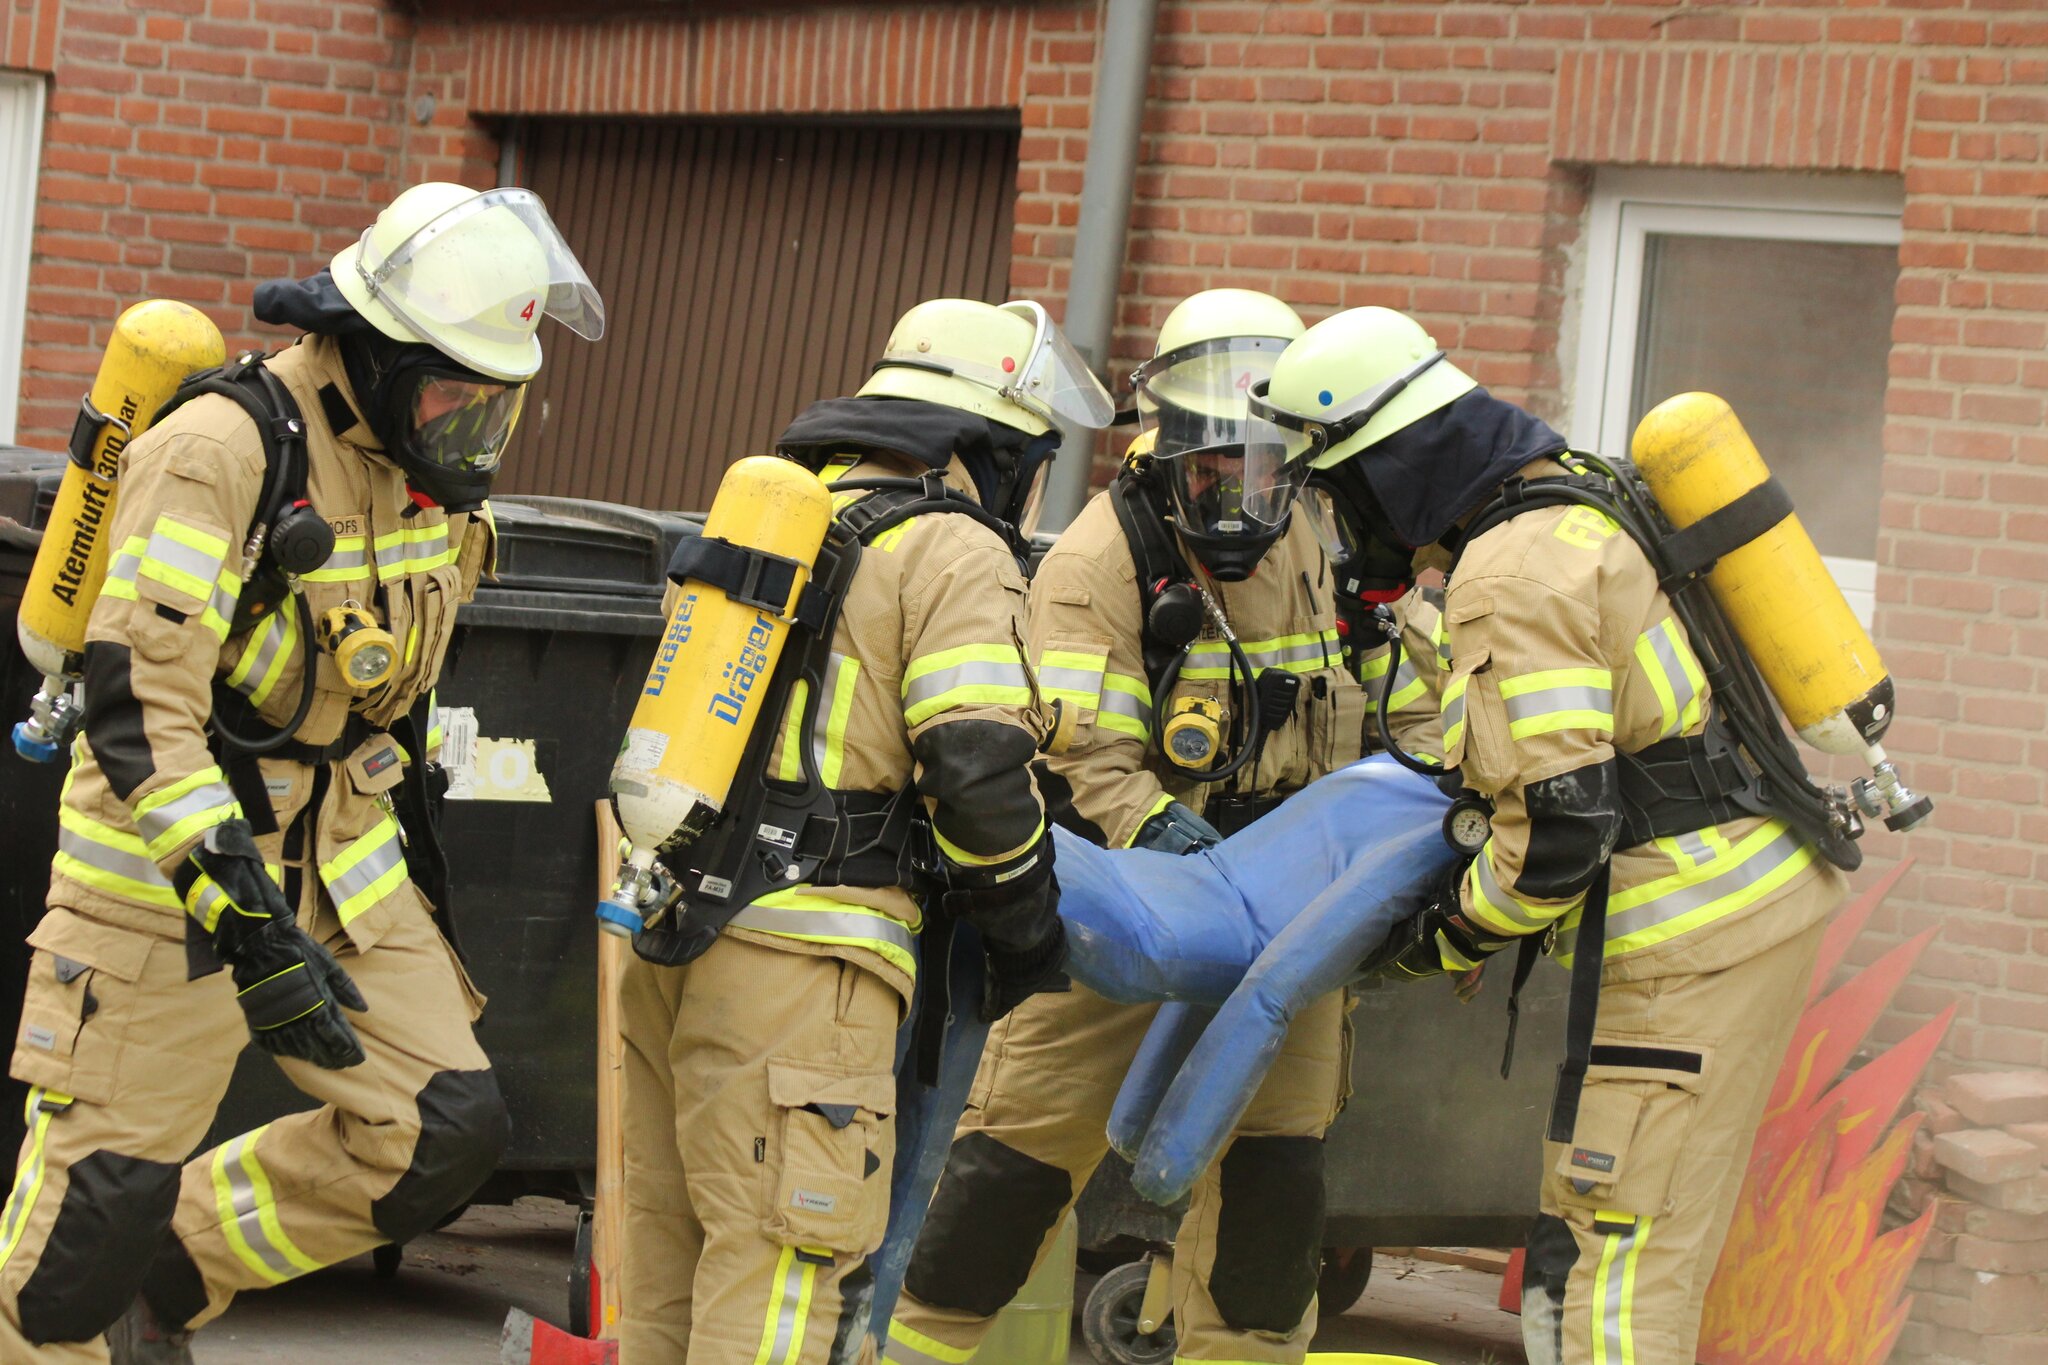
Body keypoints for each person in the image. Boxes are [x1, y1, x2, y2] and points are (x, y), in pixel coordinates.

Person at [0, 182, 604, 1363]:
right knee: (82, 1233)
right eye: (447, 389)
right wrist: (241, 918)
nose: (469, 422)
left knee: (440, 1129)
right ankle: (92, 1290)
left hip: (342, 861)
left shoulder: (417, 465)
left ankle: (166, 1270)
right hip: (163, 876)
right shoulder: (216, 451)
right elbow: (139, 706)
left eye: (493, 401)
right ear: (369, 351)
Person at [1253, 305, 1849, 1365]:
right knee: (1636, 1230)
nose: (1345, 518)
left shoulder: (1510, 575)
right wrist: (1412, 629)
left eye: (1341, 485)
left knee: (1610, 1252)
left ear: (1391, 467)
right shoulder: (1577, 498)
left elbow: (1559, 834)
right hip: (1743, 900)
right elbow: (1550, 718)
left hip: (1682, 941)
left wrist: (1440, 938)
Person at [614, 297, 1102, 1363]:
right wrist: (1026, 932)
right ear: (991, 445)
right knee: (787, 1275)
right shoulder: (950, 547)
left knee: (670, 1272)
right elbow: (974, 768)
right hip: (809, 971)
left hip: (676, 926)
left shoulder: (784, 519)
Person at [885, 289, 1365, 1365]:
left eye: (1261, 474)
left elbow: (1372, 695)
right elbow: (1070, 754)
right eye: (1212, 475)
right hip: (1132, 910)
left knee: (1269, 1208)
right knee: (1000, 1186)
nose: (1238, 500)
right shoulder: (1101, 560)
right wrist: (1153, 827)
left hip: (1288, 918)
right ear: (1169, 450)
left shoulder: (1315, 538)